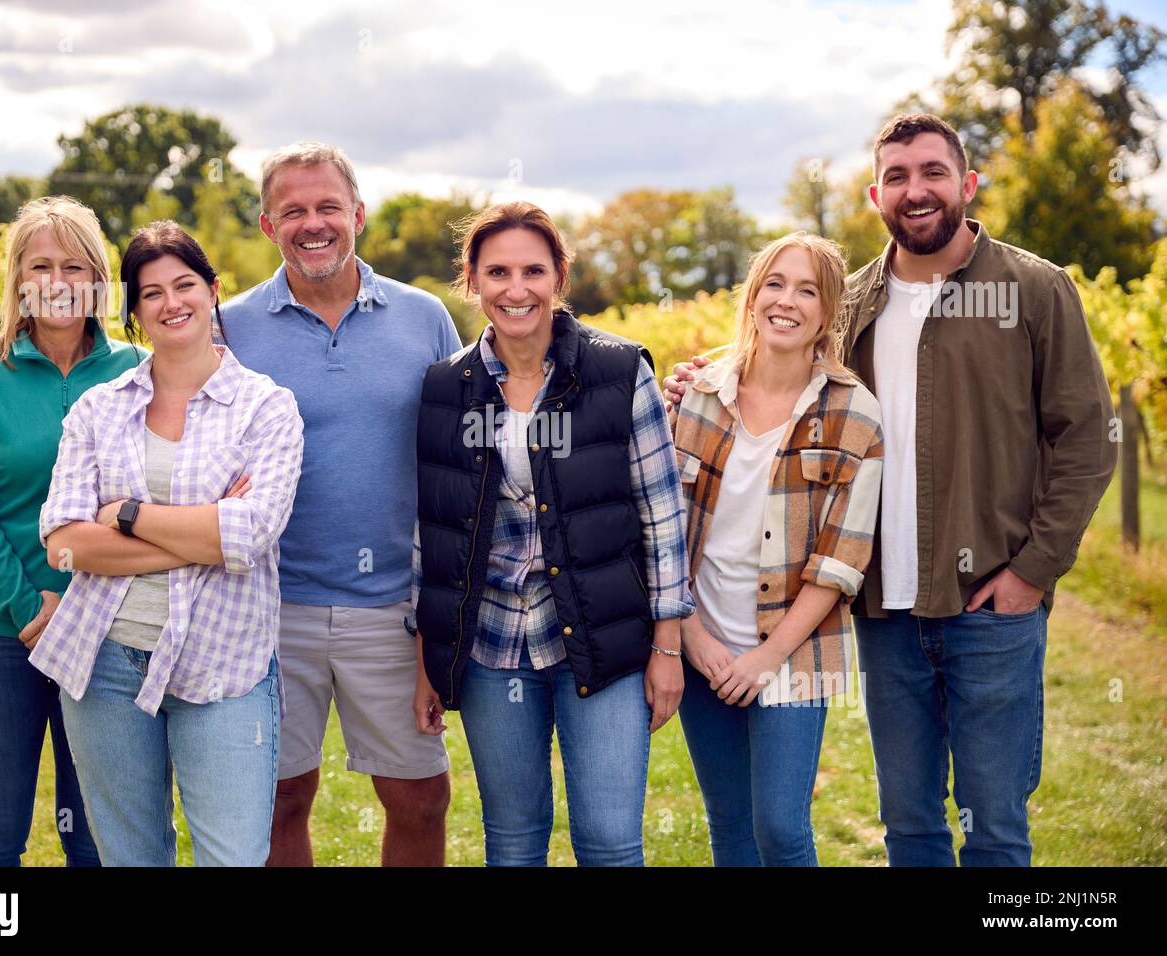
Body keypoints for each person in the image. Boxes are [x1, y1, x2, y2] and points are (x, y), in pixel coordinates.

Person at [664, 114, 1117, 866]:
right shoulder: (850, 304)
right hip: (881, 611)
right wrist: (694, 377)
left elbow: (1087, 440)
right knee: (909, 827)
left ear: (967, 185)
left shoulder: (1034, 290)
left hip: (990, 606)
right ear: (878, 194)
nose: (917, 190)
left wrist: (1031, 573)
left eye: (934, 172)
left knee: (995, 831)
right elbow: (773, 353)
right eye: (899, 177)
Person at [412, 201, 694, 866]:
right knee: (511, 843)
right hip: (489, 647)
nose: (517, 289)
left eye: (533, 270)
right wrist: (428, 654)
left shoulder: (618, 371)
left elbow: (662, 516)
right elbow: (431, 532)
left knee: (609, 843)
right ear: (473, 281)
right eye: (498, 272)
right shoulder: (445, 388)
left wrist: (669, 646)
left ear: (559, 276)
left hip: (602, 640)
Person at [29, 221, 303, 866]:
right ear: (134, 312)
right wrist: (204, 532)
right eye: (151, 293)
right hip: (103, 663)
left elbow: (253, 530)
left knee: (231, 857)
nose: (171, 302)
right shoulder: (98, 409)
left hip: (225, 663)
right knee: (130, 856)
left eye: (184, 285)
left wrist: (124, 513)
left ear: (213, 291)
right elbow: (64, 543)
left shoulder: (266, 408)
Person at [218, 142, 460, 867]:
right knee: (279, 798)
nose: (312, 223)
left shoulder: (424, 319)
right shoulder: (233, 327)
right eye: (293, 211)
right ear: (267, 225)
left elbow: (459, 456)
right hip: (268, 604)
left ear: (358, 214)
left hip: (393, 608)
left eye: (328, 207)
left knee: (419, 798)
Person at [0, 196, 142, 867]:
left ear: (99, 279)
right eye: (41, 265)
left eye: (76, 266)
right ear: (19, 278)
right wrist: (29, 611)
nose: (58, 280)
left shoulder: (136, 371)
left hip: (108, 635)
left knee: (95, 842)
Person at [670, 232, 882, 866]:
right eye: (775, 283)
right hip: (699, 642)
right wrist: (694, 639)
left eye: (808, 290)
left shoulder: (856, 416)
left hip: (794, 652)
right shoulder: (697, 396)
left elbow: (840, 562)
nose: (787, 301)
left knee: (782, 831)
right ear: (754, 295)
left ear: (827, 312)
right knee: (729, 827)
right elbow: (656, 534)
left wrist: (766, 658)